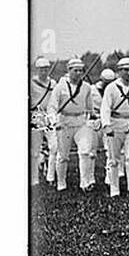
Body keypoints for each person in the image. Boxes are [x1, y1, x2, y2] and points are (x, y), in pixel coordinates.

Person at [48, 58, 97, 191]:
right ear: (69, 70)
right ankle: (61, 183)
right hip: (64, 122)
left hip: (81, 122)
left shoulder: (86, 87)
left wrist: (93, 118)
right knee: (63, 156)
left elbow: (90, 107)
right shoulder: (60, 87)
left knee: (85, 151)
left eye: (81, 71)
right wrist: (54, 121)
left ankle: (85, 183)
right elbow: (52, 106)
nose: (78, 73)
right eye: (75, 70)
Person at [100, 56, 129, 198]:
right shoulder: (112, 88)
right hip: (115, 124)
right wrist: (106, 125)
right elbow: (105, 108)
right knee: (113, 160)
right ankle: (114, 189)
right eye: (125, 70)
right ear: (119, 71)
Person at [30, 57, 55, 186]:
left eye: (46, 69)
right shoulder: (30, 83)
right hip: (36, 115)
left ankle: (50, 177)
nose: (44, 72)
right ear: (37, 69)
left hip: (49, 116)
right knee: (35, 150)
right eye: (41, 69)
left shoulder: (53, 84)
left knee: (54, 147)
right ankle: (34, 179)